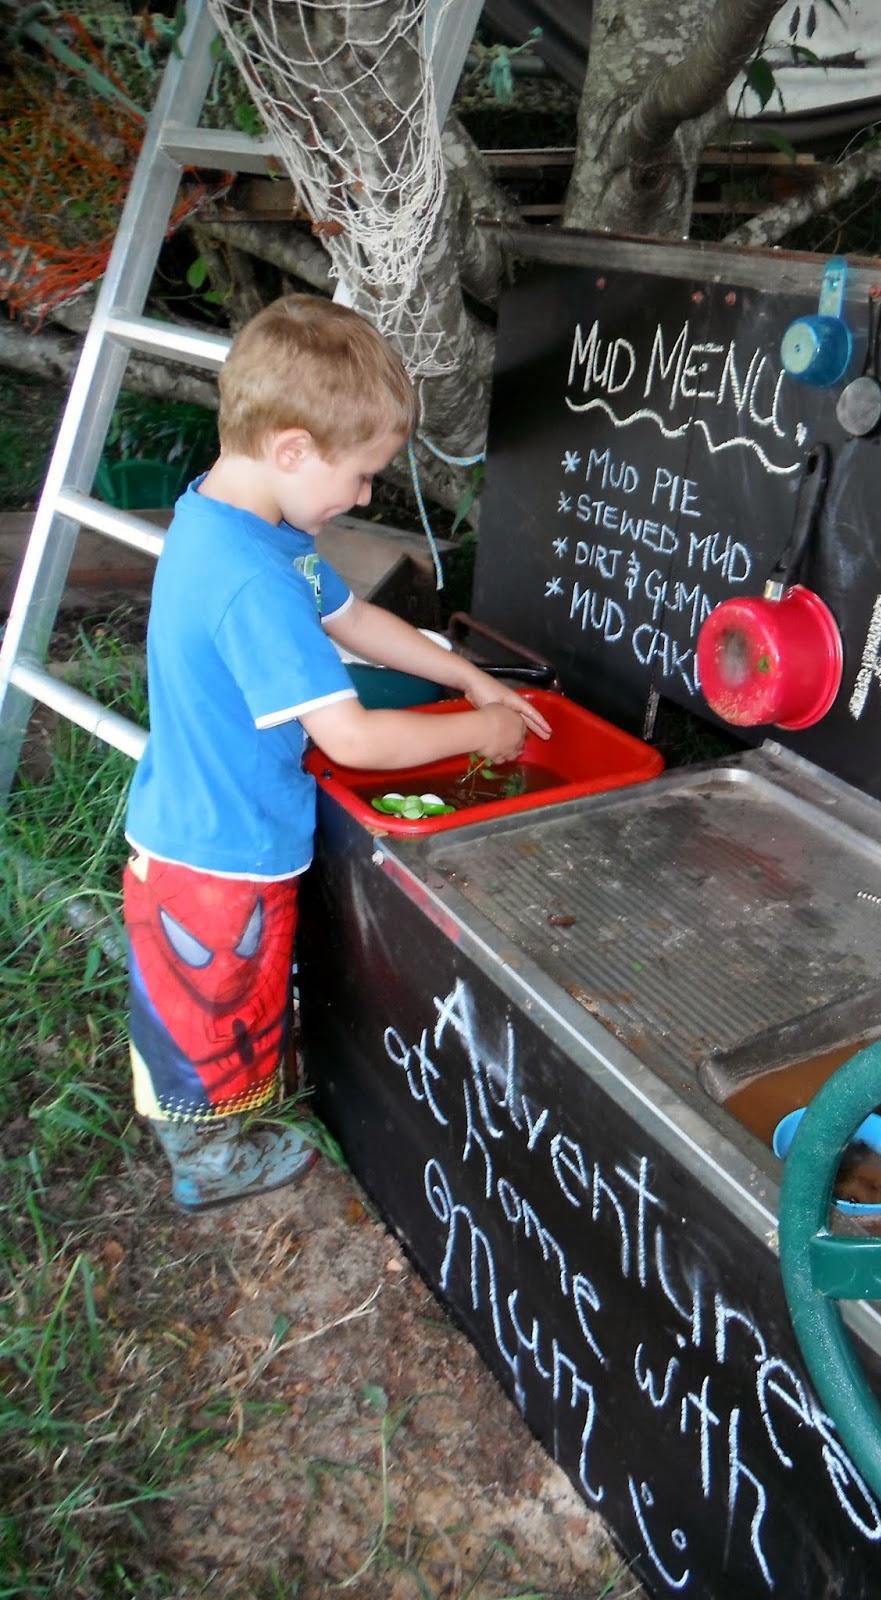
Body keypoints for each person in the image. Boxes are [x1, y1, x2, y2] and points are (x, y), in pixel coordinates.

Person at [122, 293, 551, 1212]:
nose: (362, 497)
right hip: (221, 853)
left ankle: (217, 1117)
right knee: (211, 1010)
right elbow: (351, 735)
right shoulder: (252, 580)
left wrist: (465, 675)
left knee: (219, 997)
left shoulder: (240, 522)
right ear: (290, 450)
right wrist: (480, 732)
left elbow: (352, 617)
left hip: (203, 819)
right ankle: (206, 1162)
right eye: (359, 477)